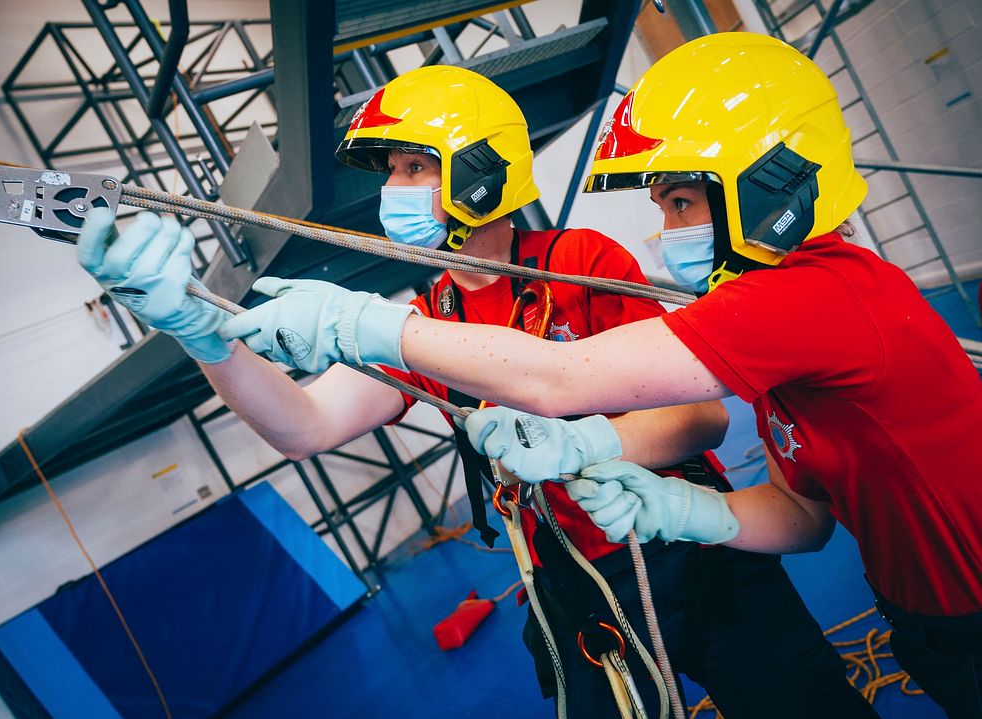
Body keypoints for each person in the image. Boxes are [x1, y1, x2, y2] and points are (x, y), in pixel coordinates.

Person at [78, 65, 877, 718]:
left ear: (478, 173)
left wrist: (590, 446)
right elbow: (304, 425)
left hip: (679, 540)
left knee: (800, 700)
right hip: (571, 579)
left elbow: (700, 416)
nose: (395, 189)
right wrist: (198, 332)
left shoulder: (582, 261)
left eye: (414, 166)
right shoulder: (431, 322)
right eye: (393, 171)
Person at [226, 35, 981, 718]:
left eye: (681, 201)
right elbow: (807, 514)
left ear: (764, 185)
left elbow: (576, 381)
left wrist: (376, 327)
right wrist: (204, 336)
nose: (666, 229)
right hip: (898, 614)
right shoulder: (445, 312)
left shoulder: (795, 292)